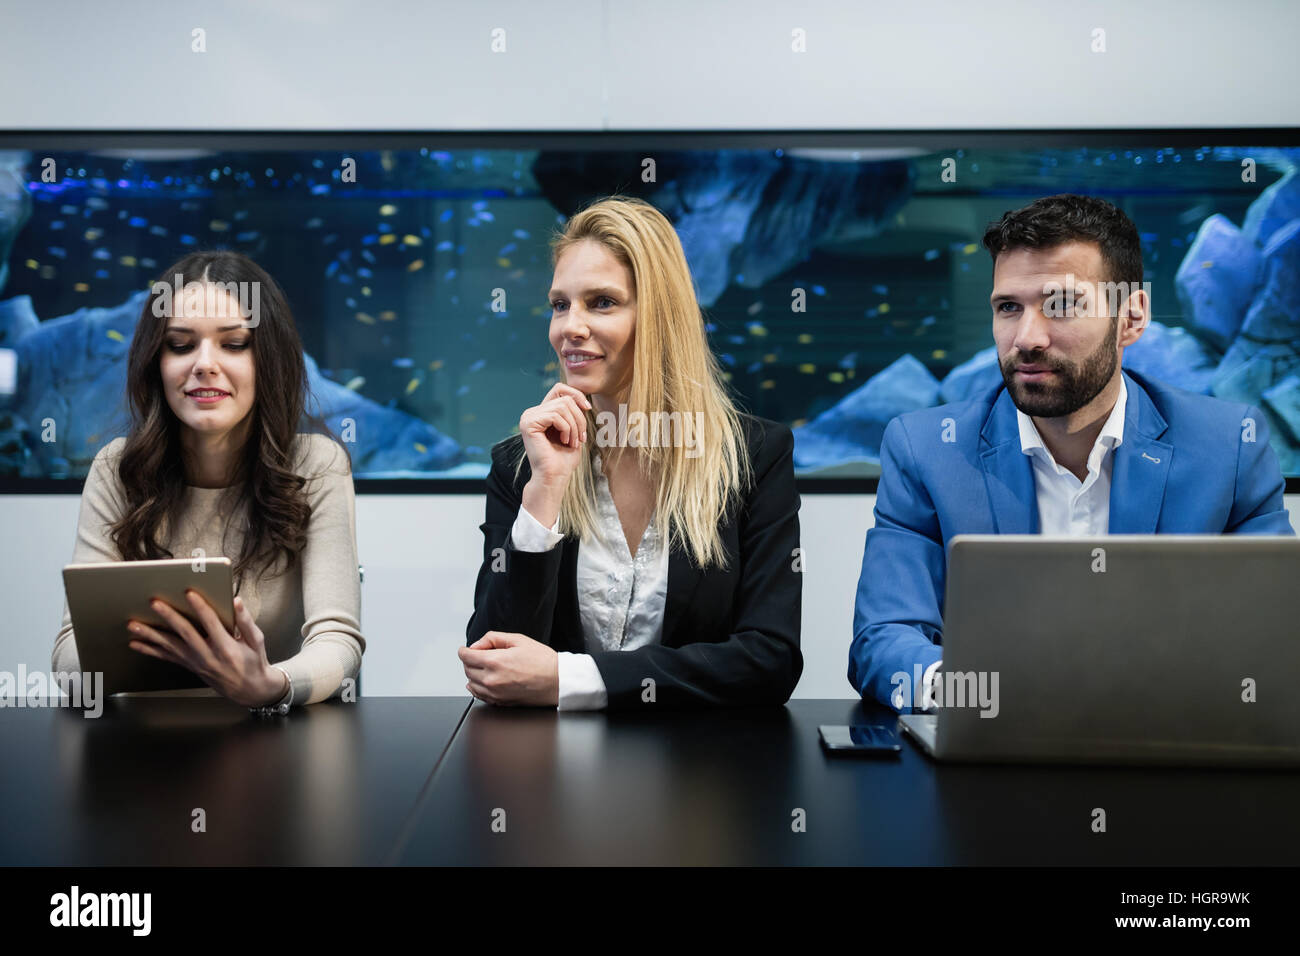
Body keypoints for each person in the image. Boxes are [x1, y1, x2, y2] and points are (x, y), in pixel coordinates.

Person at [851, 194, 1295, 711]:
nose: (1027, 338)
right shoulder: (927, 450)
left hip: (1170, 753)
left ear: (1131, 317)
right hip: (986, 750)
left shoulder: (1228, 448)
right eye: (1008, 308)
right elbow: (883, 640)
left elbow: (1276, 634)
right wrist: (988, 699)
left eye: (1061, 304)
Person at [461, 196, 802, 709]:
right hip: (554, 776)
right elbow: (494, 661)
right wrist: (545, 492)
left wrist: (571, 678)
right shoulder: (521, 463)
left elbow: (770, 661)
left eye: (601, 302)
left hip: (707, 774)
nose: (569, 328)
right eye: (560, 304)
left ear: (661, 316)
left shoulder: (753, 457)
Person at [51, 250, 363, 711]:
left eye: (233, 344)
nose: (203, 364)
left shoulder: (316, 464)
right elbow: (68, 663)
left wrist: (270, 684)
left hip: (274, 747)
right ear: (156, 362)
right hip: (143, 754)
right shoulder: (117, 468)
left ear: (267, 359)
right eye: (180, 345)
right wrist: (176, 652)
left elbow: (339, 643)